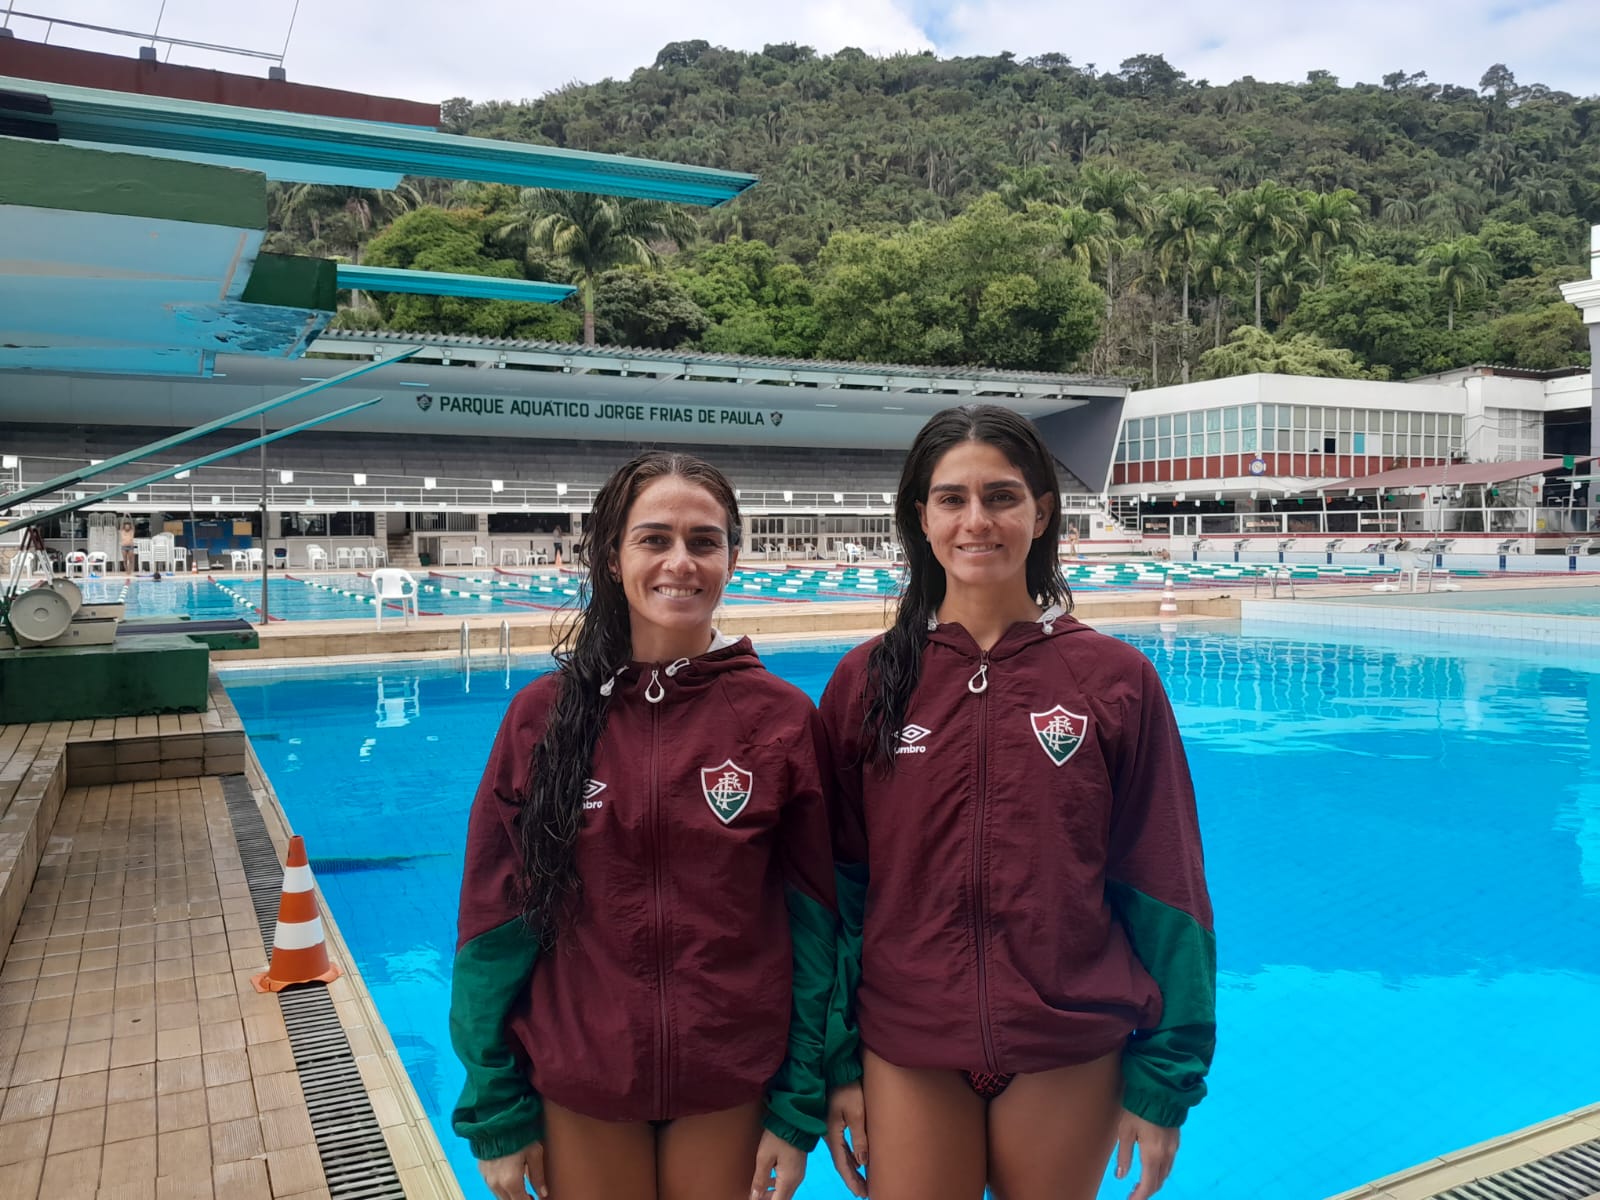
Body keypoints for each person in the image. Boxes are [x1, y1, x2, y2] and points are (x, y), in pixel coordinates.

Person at [818, 405, 1215, 1200]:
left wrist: (1164, 1076)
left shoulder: (1115, 680)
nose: (977, 521)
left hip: (1067, 1037)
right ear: (921, 518)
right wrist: (833, 1064)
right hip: (909, 1036)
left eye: (1001, 497)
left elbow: (1165, 880)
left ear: (1041, 511)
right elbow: (833, 890)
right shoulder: (868, 681)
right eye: (952, 499)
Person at [450, 451, 836, 1200]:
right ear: (612, 555)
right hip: (583, 1071)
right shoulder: (543, 718)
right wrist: (495, 1107)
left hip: (728, 1074)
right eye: (654, 539)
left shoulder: (781, 720)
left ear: (732, 558)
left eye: (704, 541)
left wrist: (798, 1104)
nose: (680, 563)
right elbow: (494, 920)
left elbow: (817, 924)